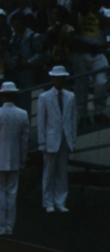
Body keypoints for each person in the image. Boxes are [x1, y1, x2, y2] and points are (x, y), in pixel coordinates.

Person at [0, 82, 30, 236]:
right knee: (11, 193)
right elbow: (24, 140)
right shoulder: (22, 114)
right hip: (14, 159)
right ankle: (9, 226)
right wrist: (23, 159)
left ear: (2, 96)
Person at [37, 65, 77, 213]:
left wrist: (72, 139)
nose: (59, 81)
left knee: (62, 171)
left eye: (62, 78)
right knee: (49, 171)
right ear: (53, 79)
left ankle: (60, 201)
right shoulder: (44, 97)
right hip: (51, 140)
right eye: (57, 78)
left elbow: (72, 119)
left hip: (64, 139)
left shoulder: (70, 96)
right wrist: (42, 142)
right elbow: (41, 121)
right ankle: (48, 202)